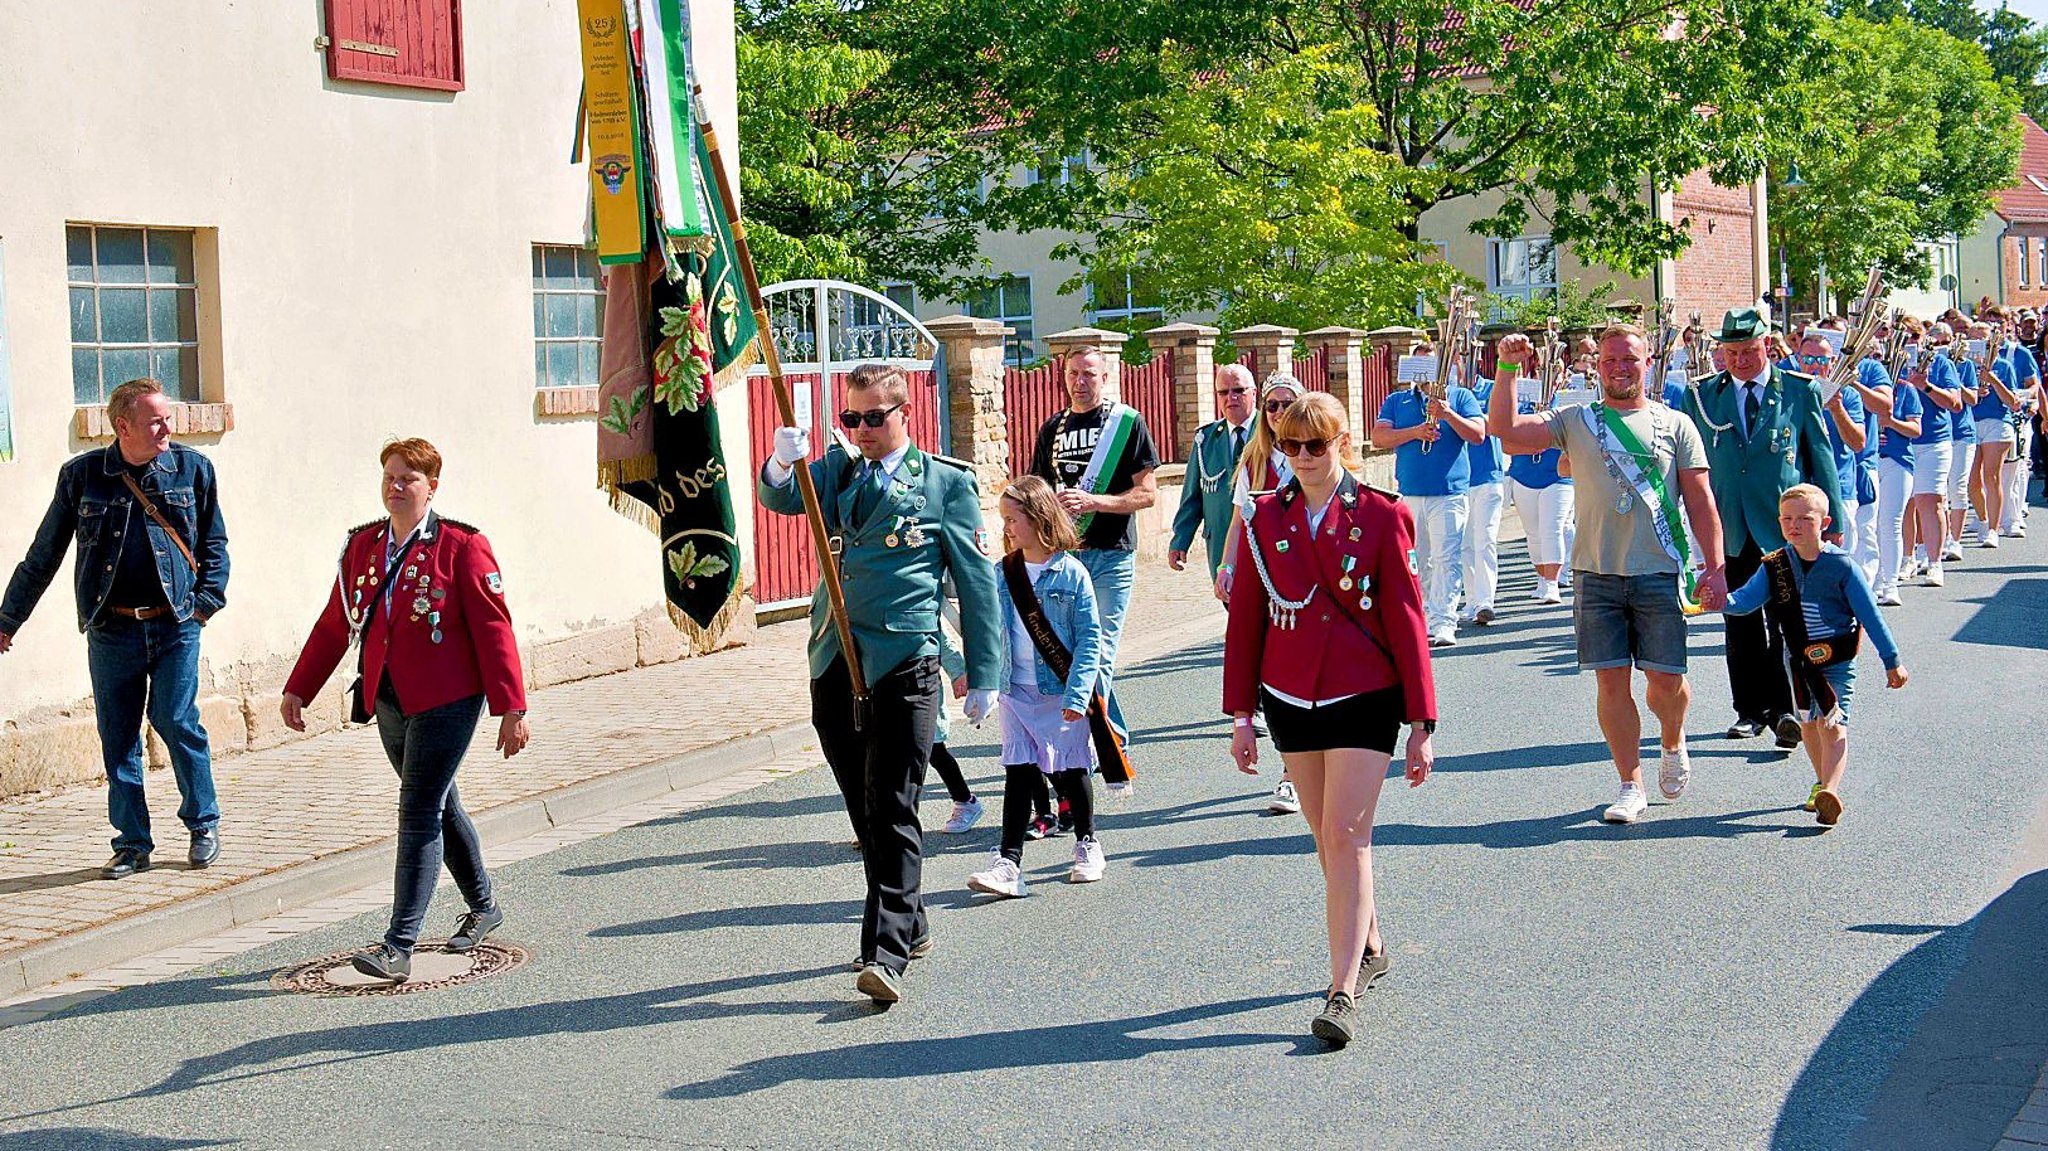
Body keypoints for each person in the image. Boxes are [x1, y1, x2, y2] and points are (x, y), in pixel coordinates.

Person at [760, 362, 1004, 1004]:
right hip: (836, 657)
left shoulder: (946, 485)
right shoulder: (838, 473)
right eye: (852, 418)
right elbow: (782, 498)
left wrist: (984, 671)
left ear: (904, 415)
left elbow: (976, 582)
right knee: (863, 808)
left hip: (906, 657)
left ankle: (884, 954)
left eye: (874, 417)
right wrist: (784, 463)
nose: (862, 429)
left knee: (894, 804)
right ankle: (913, 921)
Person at [1223, 391, 1435, 1047]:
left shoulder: (1380, 514)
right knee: (1322, 834)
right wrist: (1240, 713)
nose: (1304, 457)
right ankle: (1369, 939)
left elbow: (1406, 617)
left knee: (1346, 834)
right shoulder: (1263, 518)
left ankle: (1341, 989)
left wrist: (1422, 719)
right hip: (1290, 697)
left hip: (1364, 692)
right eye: (1291, 446)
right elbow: (1247, 621)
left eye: (1317, 444)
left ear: (1343, 442)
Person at [281, 438, 526, 981]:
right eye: (389, 476)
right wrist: (300, 687)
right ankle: (485, 907)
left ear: (431, 487)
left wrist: (511, 707)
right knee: (439, 804)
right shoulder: (363, 546)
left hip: (450, 697)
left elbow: (493, 629)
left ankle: (399, 944)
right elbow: (334, 623)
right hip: (389, 698)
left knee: (417, 810)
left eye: (408, 479)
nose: (395, 487)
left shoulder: (461, 546)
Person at [1489, 325, 1727, 824]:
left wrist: (1715, 566)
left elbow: (1701, 501)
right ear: (1598, 366)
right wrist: (1507, 369)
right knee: (1610, 682)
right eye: (1610, 360)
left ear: (1649, 362)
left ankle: (1672, 739)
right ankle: (1629, 784)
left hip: (1659, 570)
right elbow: (1507, 436)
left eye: (1630, 359)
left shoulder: (1675, 423)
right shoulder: (1577, 419)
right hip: (1594, 572)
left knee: (1666, 681)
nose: (1620, 368)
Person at [0, 377, 229, 879]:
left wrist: (205, 604)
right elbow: (43, 555)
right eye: (155, 420)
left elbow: (215, 543)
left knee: (175, 718)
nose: (168, 427)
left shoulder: (192, 469)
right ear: (122, 426)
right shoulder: (83, 477)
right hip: (112, 627)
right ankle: (132, 844)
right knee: (118, 736)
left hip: (175, 623)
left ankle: (202, 823)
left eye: (168, 417)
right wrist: (7, 619)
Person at [1679, 308, 1842, 751]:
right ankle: (1750, 711)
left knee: (1787, 621)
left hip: (1784, 527)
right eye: (1731, 352)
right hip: (1729, 525)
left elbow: (1820, 455)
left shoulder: (1798, 390)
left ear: (1766, 346)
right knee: (1740, 619)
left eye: (1749, 351)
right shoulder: (1699, 396)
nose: (1740, 361)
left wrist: (1834, 523)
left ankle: (1787, 707)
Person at [1720, 485, 1907, 827]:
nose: (1795, 525)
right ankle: (1822, 785)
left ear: (1824, 522)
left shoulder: (1842, 566)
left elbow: (1870, 616)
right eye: (1787, 519)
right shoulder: (1775, 565)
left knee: (1832, 724)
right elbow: (1744, 601)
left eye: (1805, 519)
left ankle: (1831, 791)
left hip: (1836, 661)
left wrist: (1891, 660)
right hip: (1798, 664)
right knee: (1809, 725)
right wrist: (1713, 600)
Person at [966, 476, 1108, 899]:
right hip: (1017, 690)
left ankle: (1087, 843)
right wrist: (977, 676)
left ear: (1039, 517)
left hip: (1061, 689)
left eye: (1013, 518)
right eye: (1004, 519)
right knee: (1018, 773)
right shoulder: (1001, 573)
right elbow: (988, 631)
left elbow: (1090, 639)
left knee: (1072, 767)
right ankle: (1009, 863)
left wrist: (1078, 693)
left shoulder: (1073, 574)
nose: (1006, 527)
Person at [1030, 348, 1159, 740]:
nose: (1080, 382)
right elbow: (1037, 492)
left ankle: (1096, 739)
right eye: (1072, 374)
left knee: (1098, 651)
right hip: (1067, 556)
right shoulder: (1052, 429)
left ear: (1104, 377)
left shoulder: (1126, 424)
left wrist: (1094, 502)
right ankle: (1110, 731)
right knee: (1071, 651)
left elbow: (1148, 493)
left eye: (1088, 374)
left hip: (1111, 555)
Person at [1211, 372, 1306, 815]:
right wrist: (1226, 566)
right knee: (1268, 675)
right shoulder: (1254, 459)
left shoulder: (1315, 452)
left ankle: (1294, 773)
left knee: (1302, 673)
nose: (1279, 412)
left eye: (1287, 403)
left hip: (1307, 580)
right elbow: (1237, 521)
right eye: (1271, 405)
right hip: (1261, 576)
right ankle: (1289, 767)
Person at [1371, 357, 1487, 647]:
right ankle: (1421, 616)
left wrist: (1448, 415)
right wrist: (1415, 432)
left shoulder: (1461, 396)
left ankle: (1445, 621)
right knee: (1417, 559)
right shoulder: (1397, 399)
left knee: (1447, 557)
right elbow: (1378, 438)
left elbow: (1478, 435)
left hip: (1449, 492)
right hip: (1410, 492)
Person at [1498, 333, 1575, 604]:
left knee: (1552, 527)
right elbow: (1507, 442)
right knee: (1533, 532)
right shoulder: (1522, 400)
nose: (1549, 376)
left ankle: (1554, 582)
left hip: (1558, 477)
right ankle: (1542, 579)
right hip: (1524, 475)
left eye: (1555, 372)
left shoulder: (1569, 402)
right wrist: (1531, 446)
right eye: (1543, 369)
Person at [1169, 363, 1257, 578]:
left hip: (1262, 542)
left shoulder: (1270, 432)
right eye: (1223, 392)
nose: (1231, 398)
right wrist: (1181, 538)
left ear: (1254, 393)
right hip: (1219, 541)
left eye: (1238, 391)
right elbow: (1192, 497)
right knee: (1230, 603)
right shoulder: (1205, 439)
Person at [1903, 325, 1962, 586]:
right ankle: (1908, 558)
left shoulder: (1939, 363)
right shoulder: (1888, 362)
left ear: (1923, 338)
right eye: (1904, 336)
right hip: (1900, 441)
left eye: (1914, 336)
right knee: (1905, 504)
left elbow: (1955, 403)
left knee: (1931, 500)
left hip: (1934, 440)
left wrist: (1925, 386)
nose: (1909, 341)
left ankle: (1935, 562)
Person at [1872, 339, 1927, 607]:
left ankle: (1890, 584)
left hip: (1897, 461)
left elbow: (1916, 430)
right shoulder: (1856, 388)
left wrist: (1890, 422)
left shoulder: (1906, 390)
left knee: (1890, 522)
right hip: (1868, 460)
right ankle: (1872, 582)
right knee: (1869, 525)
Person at [1460, 361, 1509, 626]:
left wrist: (1470, 415)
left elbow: (1499, 425)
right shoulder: (1449, 393)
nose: (1458, 362)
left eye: (1461, 356)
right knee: (1465, 544)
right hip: (1459, 476)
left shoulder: (1491, 389)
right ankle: (1470, 601)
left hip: (1489, 475)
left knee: (1486, 539)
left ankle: (1485, 601)